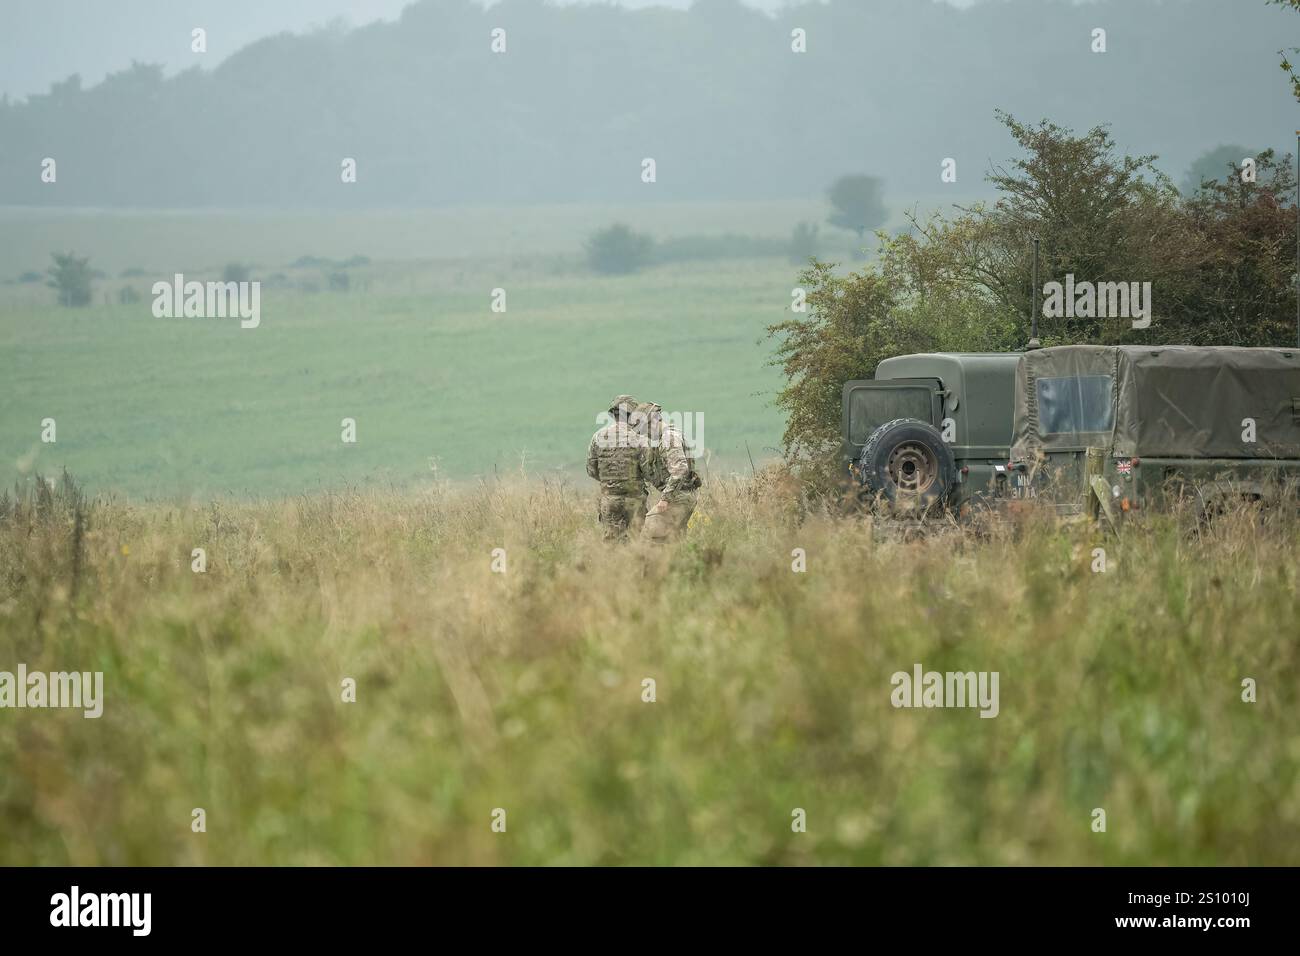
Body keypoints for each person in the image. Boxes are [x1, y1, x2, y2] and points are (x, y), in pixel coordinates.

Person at [586, 395, 651, 541]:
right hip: (635, 500)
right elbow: (648, 471)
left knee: (611, 542)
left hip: (610, 500)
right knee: (634, 541)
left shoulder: (598, 437)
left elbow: (591, 469)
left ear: (613, 414)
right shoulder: (639, 438)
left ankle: (612, 565)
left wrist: (610, 481)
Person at [637, 401, 701, 541]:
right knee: (673, 540)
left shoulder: (668, 437)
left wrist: (665, 499)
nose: (644, 434)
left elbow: (680, 469)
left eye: (644, 428)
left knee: (651, 539)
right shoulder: (669, 435)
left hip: (679, 497)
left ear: (652, 421)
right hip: (682, 495)